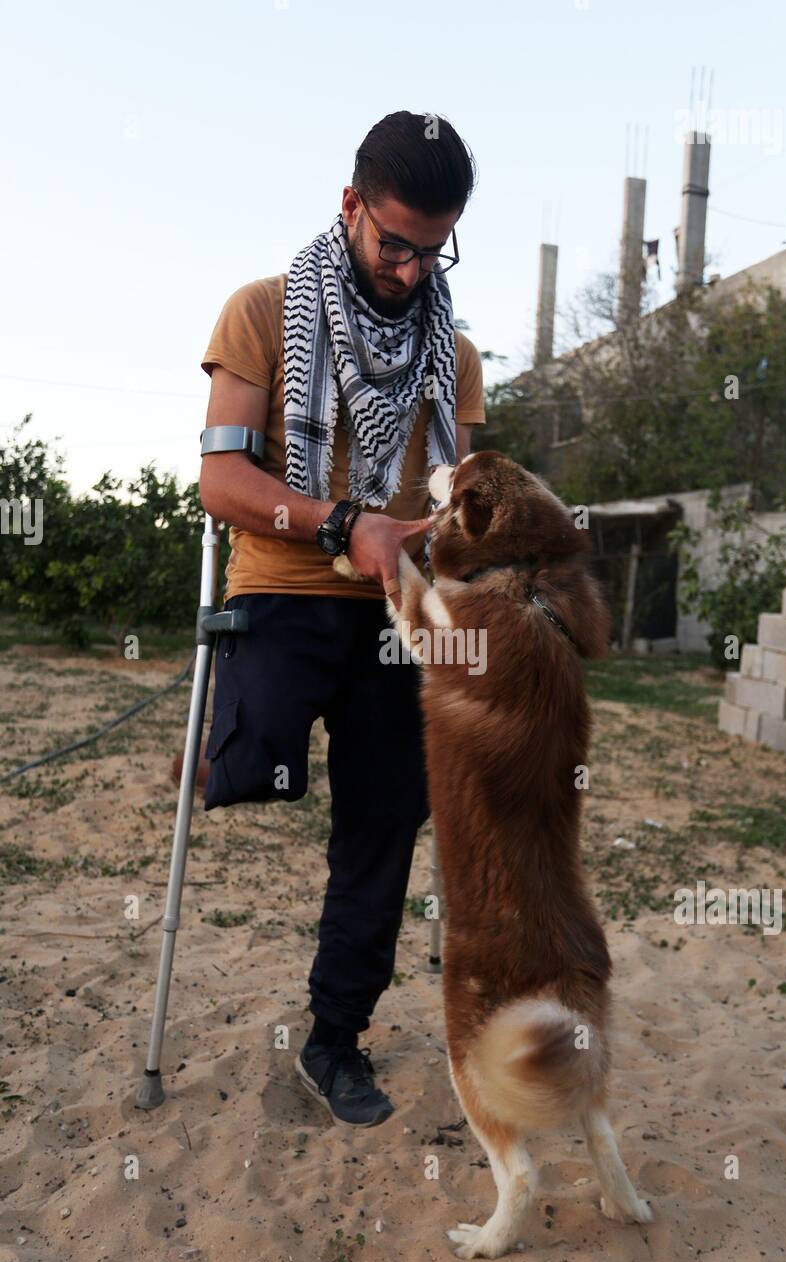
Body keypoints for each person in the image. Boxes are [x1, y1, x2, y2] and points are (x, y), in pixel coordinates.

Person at [198, 110, 485, 1126]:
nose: (407, 270)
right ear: (350, 204)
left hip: (394, 612)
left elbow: (464, 496)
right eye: (392, 242)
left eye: (430, 251)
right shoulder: (261, 312)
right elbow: (222, 481)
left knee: (384, 823)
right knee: (251, 765)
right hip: (281, 585)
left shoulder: (452, 354)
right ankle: (239, 738)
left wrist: (451, 539)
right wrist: (343, 524)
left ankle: (335, 1037)